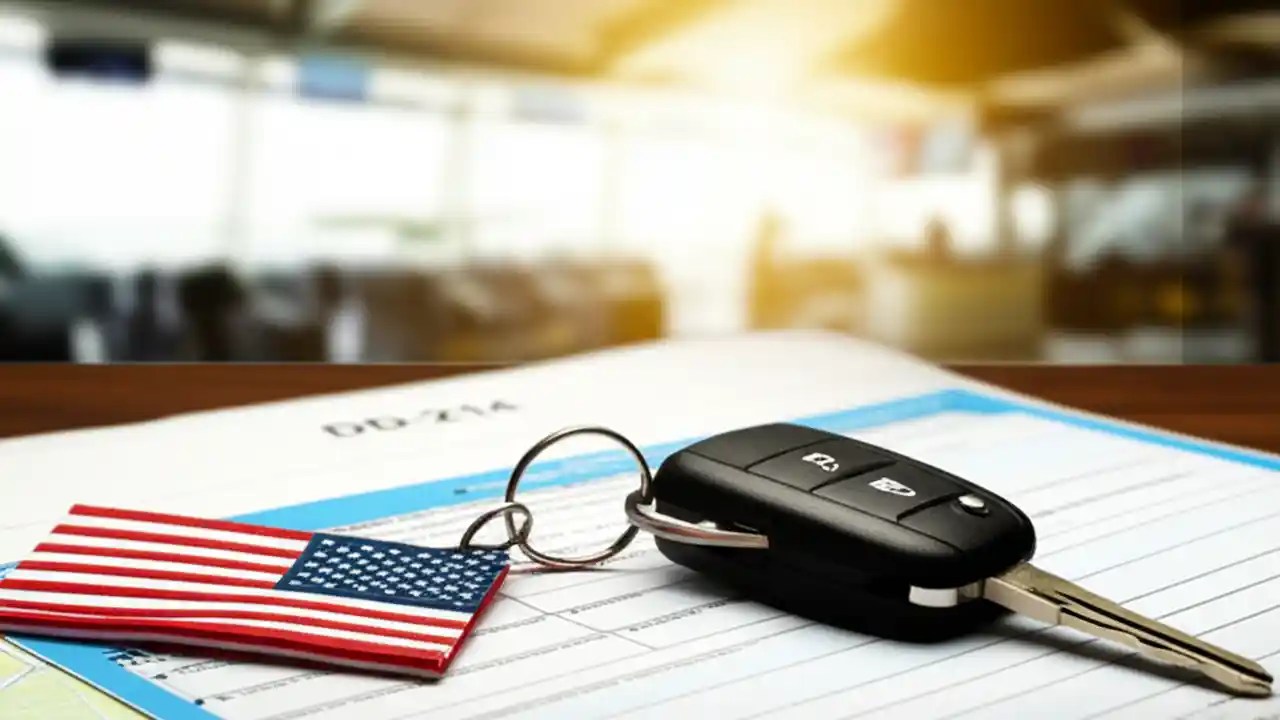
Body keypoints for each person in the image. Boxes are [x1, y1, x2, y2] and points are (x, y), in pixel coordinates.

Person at [1226, 186, 1280, 362]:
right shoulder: (1250, 232)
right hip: (1260, 292)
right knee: (1262, 328)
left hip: (1264, 292)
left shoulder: (1265, 233)